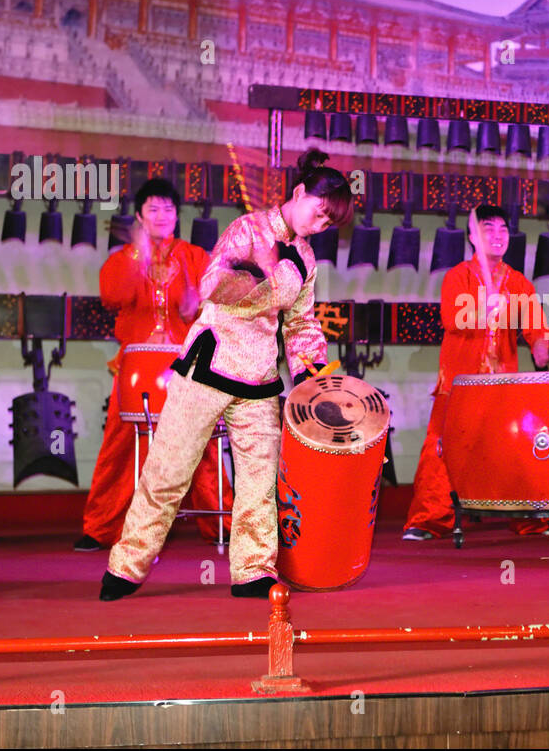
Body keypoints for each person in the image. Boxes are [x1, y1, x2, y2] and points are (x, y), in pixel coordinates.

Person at [98, 149, 352, 600]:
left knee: (258, 480)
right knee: (168, 470)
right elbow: (215, 287)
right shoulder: (247, 229)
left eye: (331, 221)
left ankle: (253, 570)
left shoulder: (306, 260)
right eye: (321, 211)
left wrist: (315, 377)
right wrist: (272, 279)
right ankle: (127, 565)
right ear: (300, 193)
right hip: (208, 367)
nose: (322, 223)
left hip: (259, 379)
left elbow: (300, 324)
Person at [75, 178, 230, 551]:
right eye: (153, 209)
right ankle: (101, 527)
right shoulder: (124, 257)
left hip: (185, 364)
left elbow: (219, 304)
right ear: (141, 217)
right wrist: (137, 255)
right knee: (122, 443)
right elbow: (112, 296)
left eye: (169, 209)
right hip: (137, 366)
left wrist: (199, 307)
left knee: (203, 444)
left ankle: (220, 524)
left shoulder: (195, 257)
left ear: (177, 215)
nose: (162, 216)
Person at [402, 204, 549, 541]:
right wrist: (484, 308)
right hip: (457, 384)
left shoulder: (518, 282)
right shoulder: (458, 276)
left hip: (502, 385)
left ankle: (530, 520)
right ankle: (429, 521)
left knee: (518, 448)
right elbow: (452, 319)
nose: (498, 236)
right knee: (440, 448)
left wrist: (543, 347)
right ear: (473, 236)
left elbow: (537, 327)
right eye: (489, 229)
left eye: (503, 230)